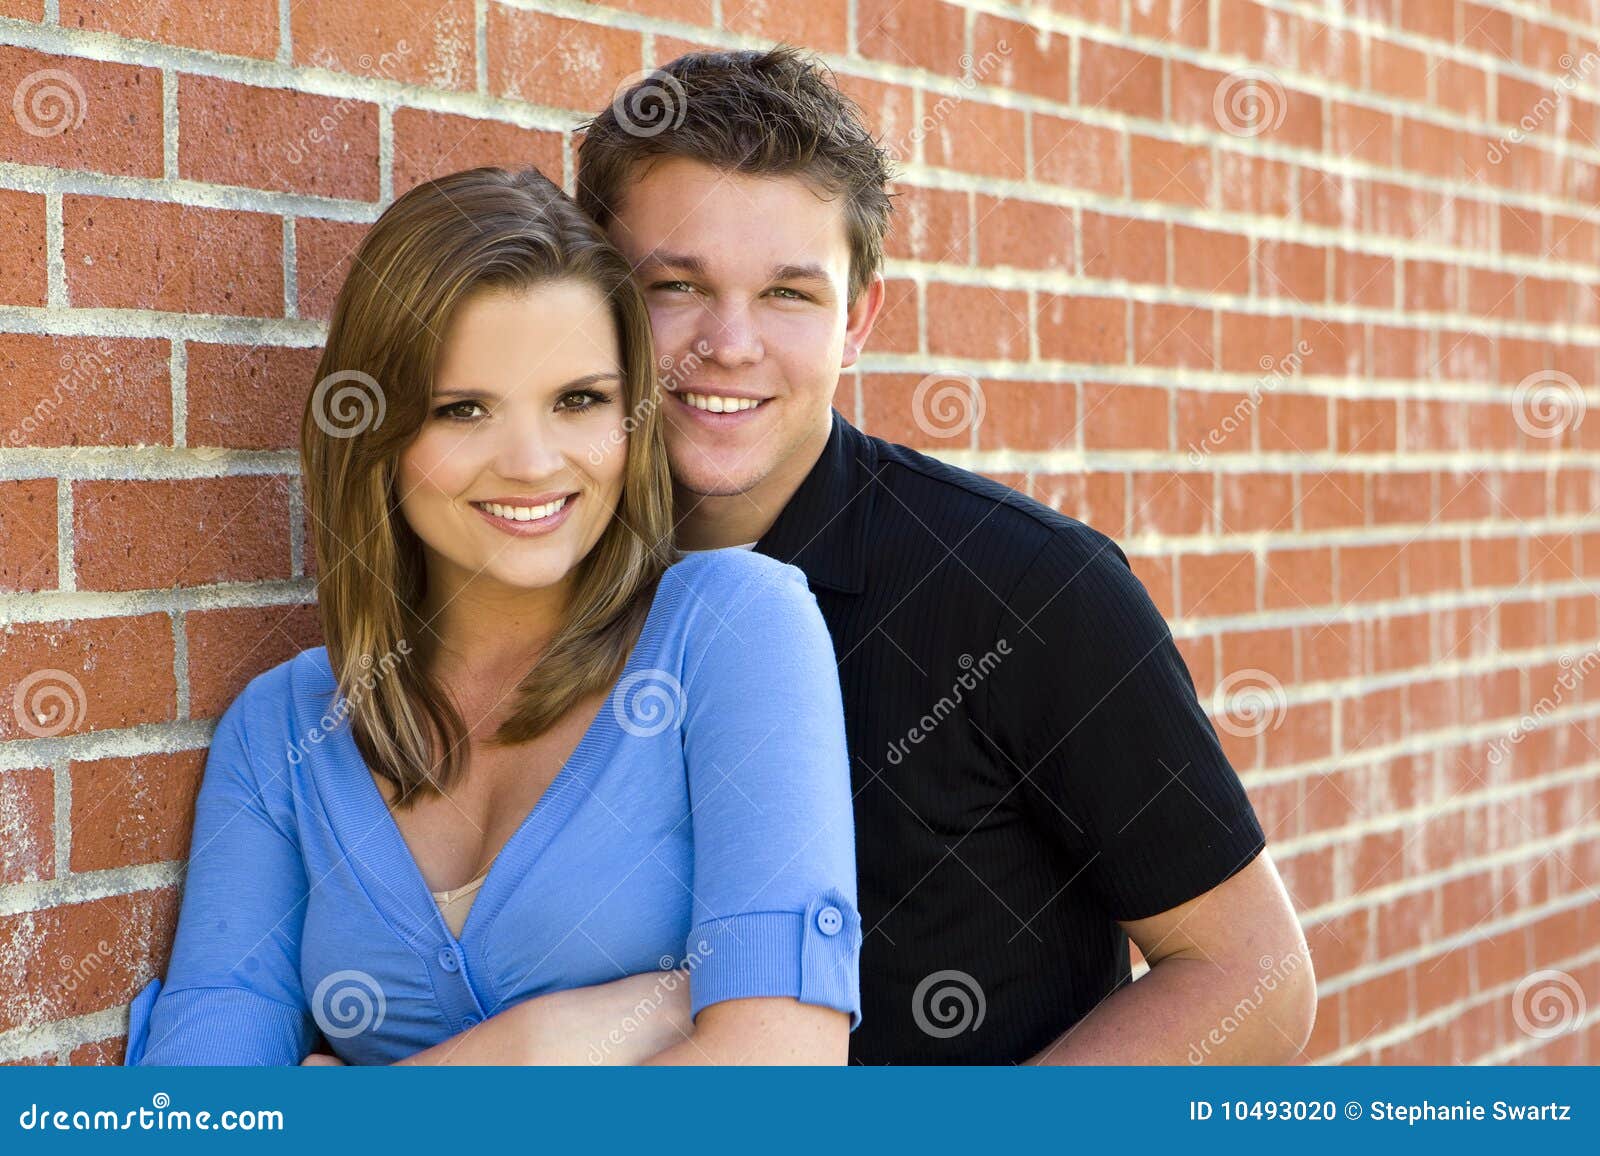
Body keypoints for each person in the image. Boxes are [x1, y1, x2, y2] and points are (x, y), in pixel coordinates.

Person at [531, 46, 1316, 1064]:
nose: (727, 343)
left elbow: (1251, 976)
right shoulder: (533, 582)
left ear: (858, 318)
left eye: (789, 294)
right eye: (675, 284)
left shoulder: (1030, 591)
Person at [123, 166, 860, 1065]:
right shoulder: (280, 731)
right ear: (377, 439)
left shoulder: (734, 630)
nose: (530, 461)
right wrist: (532, 1049)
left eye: (578, 400)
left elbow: (772, 1084)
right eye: (463, 409)